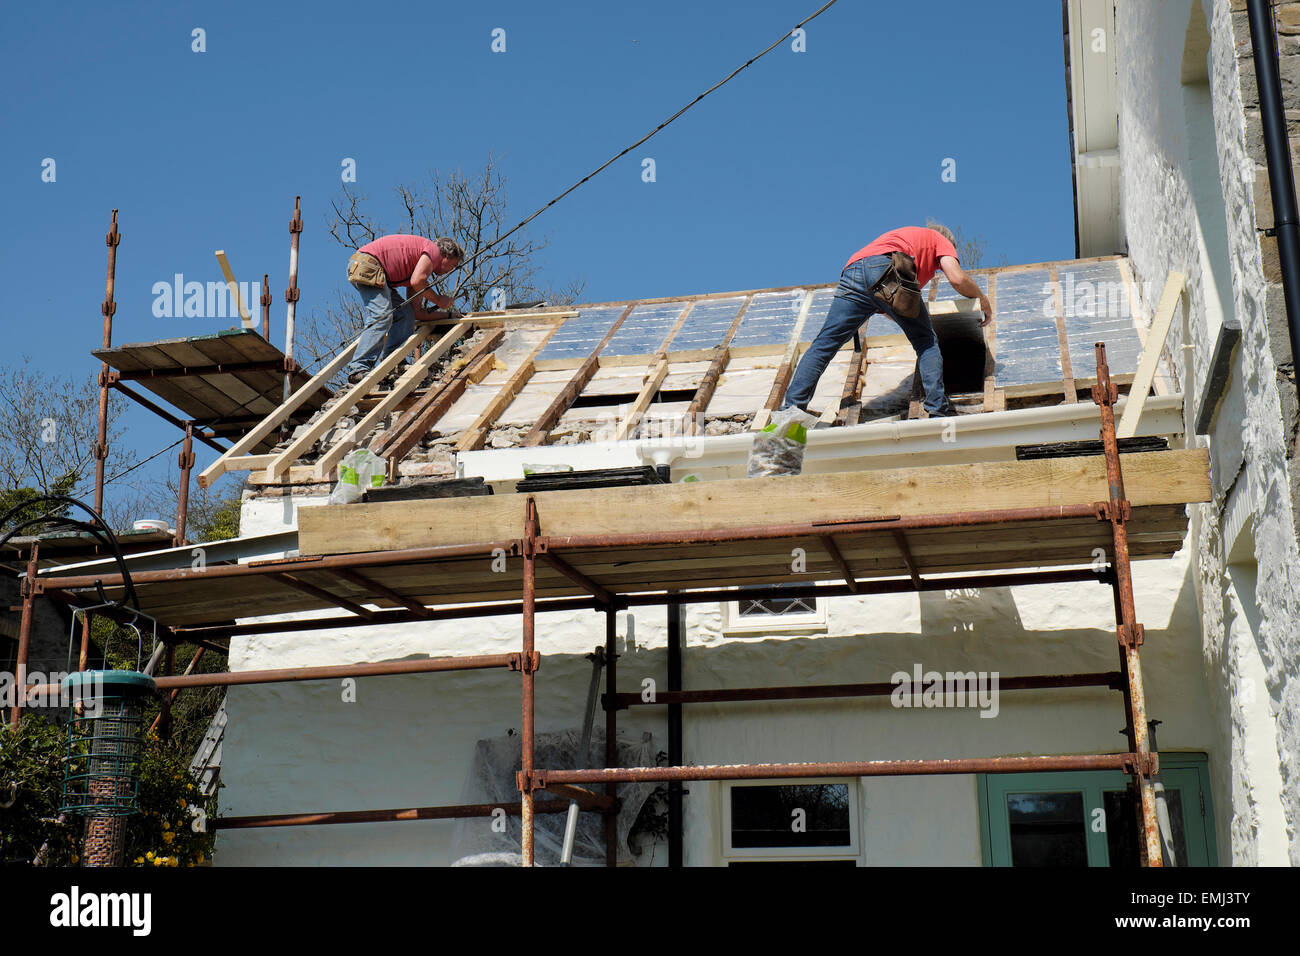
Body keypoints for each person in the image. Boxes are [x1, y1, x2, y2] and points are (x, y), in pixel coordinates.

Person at [781, 224, 992, 418]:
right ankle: (938, 408)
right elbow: (957, 278)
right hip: (885, 268)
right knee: (926, 341)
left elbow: (890, 306)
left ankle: (792, 409)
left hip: (853, 271)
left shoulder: (907, 238)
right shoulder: (940, 240)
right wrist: (982, 299)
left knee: (824, 344)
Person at [343, 234, 464, 383]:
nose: (451, 270)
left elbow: (417, 313)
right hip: (367, 265)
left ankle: (393, 362)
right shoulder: (433, 251)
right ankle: (359, 368)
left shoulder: (416, 271)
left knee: (405, 314)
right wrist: (438, 300)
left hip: (375, 272)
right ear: (446, 256)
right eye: (454, 264)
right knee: (382, 315)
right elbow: (417, 280)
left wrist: (449, 315)